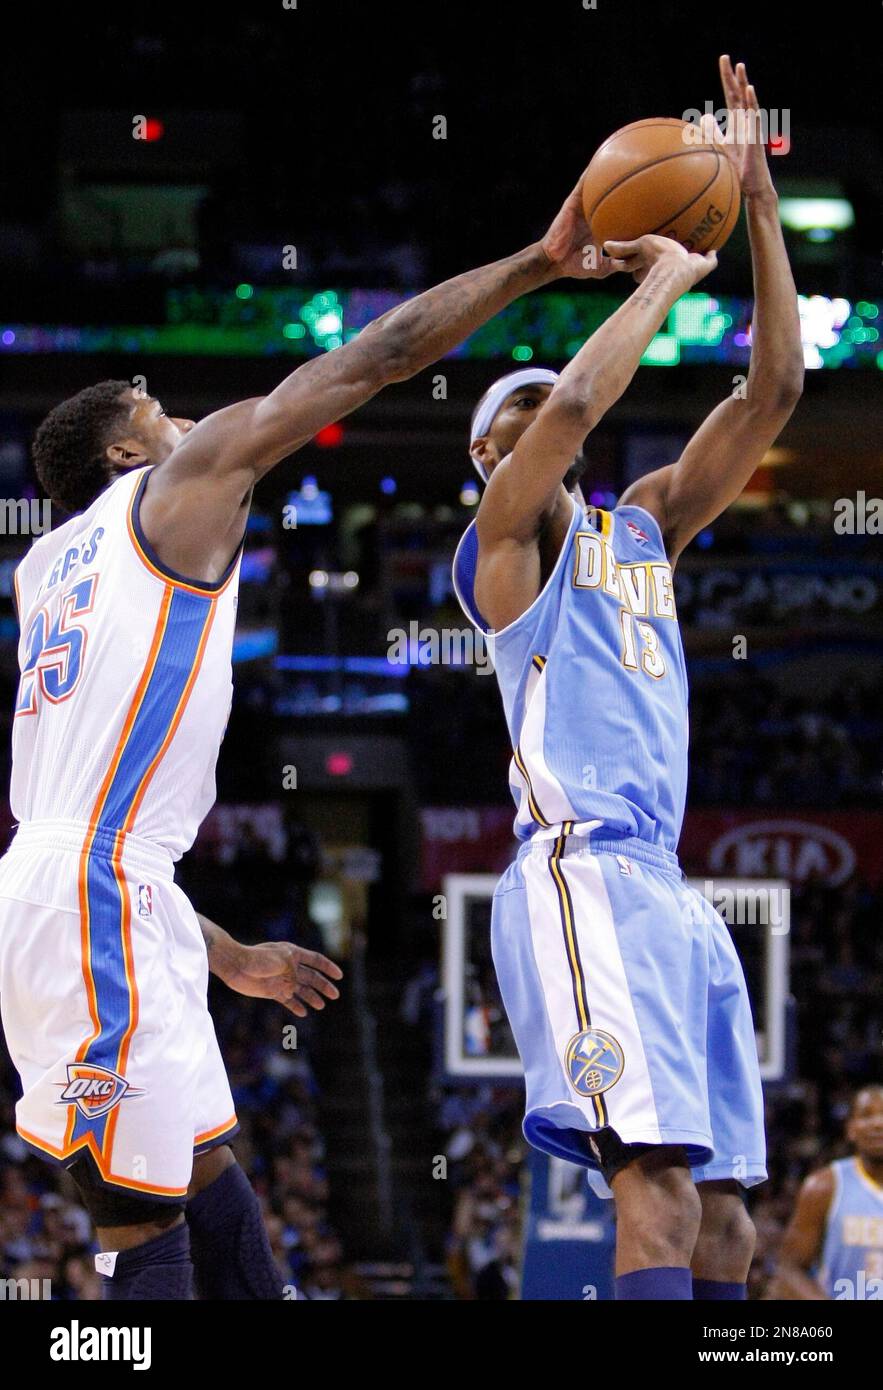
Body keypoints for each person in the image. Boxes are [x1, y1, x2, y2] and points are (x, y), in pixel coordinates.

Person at [0, 170, 618, 1299]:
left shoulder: (46, 569)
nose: (191, 426)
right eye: (163, 419)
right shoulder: (175, 491)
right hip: (89, 892)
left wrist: (220, 952)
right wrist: (537, 264)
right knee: (138, 1221)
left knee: (207, 1175)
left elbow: (97, 814)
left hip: (99, 886)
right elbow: (369, 361)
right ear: (132, 460)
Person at [452, 56, 803, 1300]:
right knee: (650, 1189)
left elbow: (776, 389)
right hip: (577, 868)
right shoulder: (497, 556)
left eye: (540, 411)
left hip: (667, 883)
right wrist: (661, 274)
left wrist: (753, 205)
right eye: (515, 423)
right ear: (489, 461)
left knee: (726, 1225)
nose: (540, 423)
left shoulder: (643, 526)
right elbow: (583, 401)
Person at [773, 1086, 883, 1300]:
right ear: (850, 1129)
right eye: (866, 1115)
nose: (878, 1124)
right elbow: (789, 1270)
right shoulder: (824, 1186)